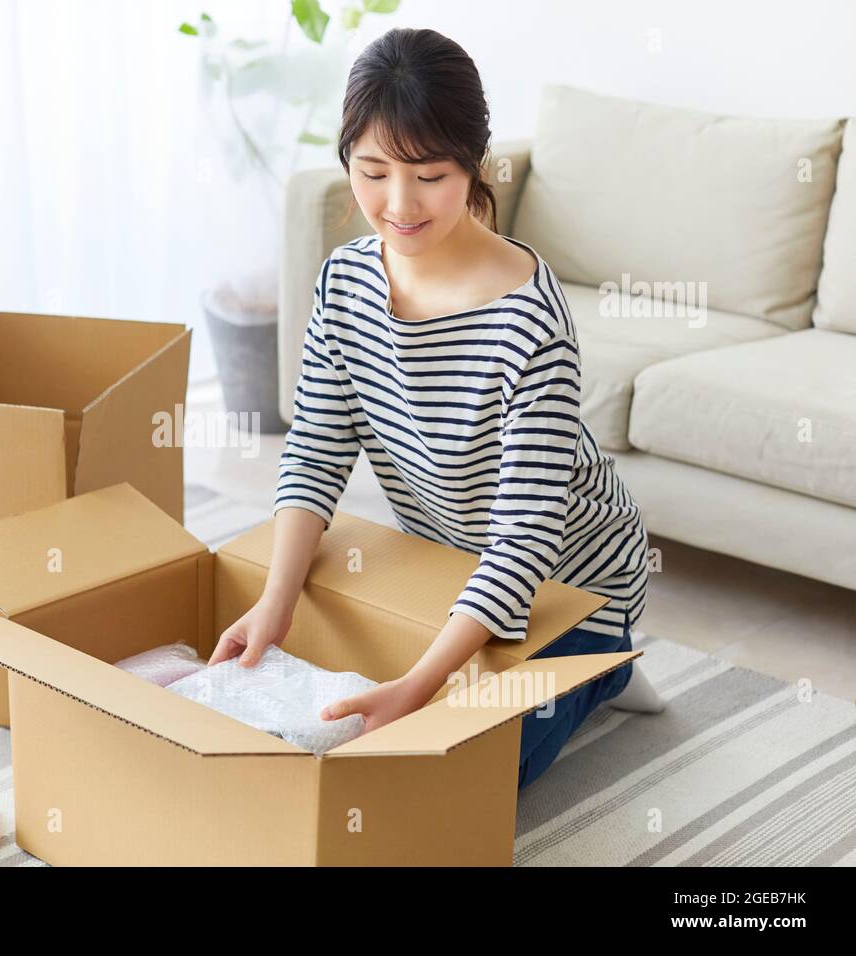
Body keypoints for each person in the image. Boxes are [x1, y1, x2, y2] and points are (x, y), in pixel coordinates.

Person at [209, 27, 662, 790]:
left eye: (429, 174)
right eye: (373, 170)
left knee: (445, 782)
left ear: (475, 166)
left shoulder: (530, 320)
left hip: (571, 583)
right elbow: (315, 452)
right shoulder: (345, 283)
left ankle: (604, 665)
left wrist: (418, 691)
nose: (397, 204)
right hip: (449, 568)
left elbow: (523, 543)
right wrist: (273, 607)